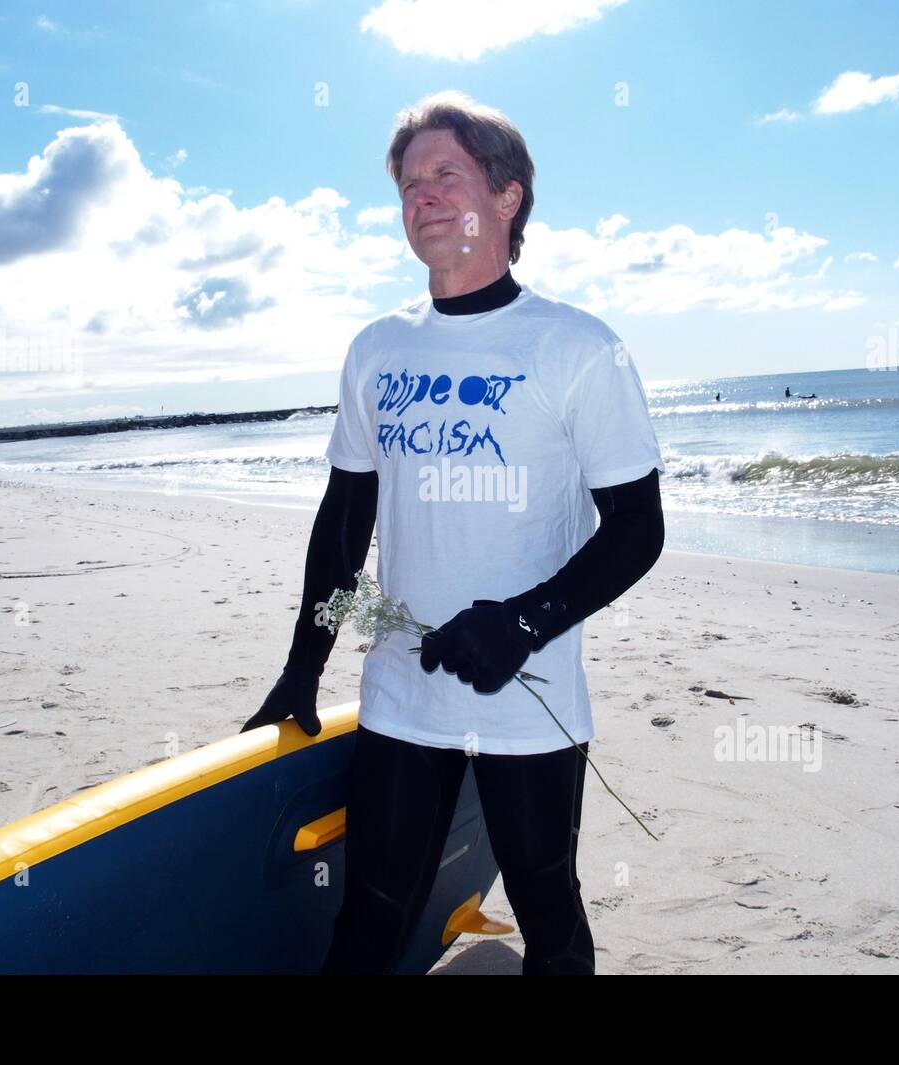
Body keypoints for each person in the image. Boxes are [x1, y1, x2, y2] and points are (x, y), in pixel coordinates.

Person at [241, 91, 665, 975]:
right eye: (408, 184)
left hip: (531, 699)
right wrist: (304, 663)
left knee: (550, 912)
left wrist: (522, 622)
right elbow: (345, 517)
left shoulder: (578, 348)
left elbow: (638, 528)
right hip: (404, 694)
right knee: (370, 914)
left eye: (446, 175)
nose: (421, 197)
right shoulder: (377, 349)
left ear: (508, 196)